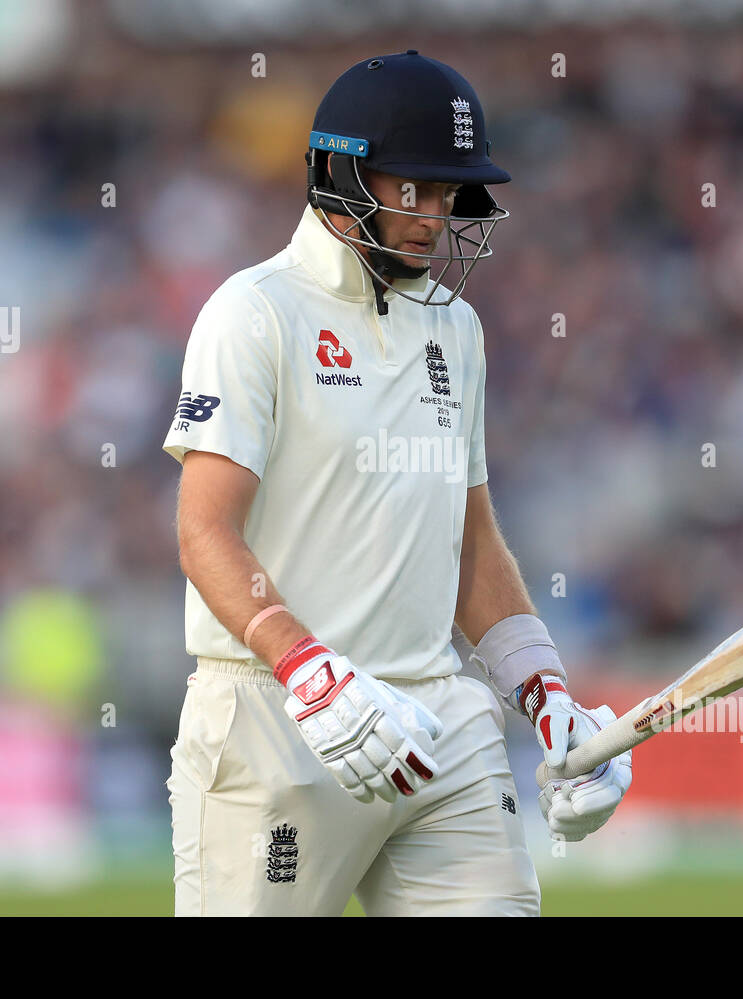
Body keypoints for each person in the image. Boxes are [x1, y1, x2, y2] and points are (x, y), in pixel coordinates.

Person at [163, 49, 631, 917]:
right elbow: (204, 534)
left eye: (449, 195)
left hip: (439, 718)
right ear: (342, 173)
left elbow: (472, 541)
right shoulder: (253, 312)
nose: (433, 217)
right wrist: (312, 673)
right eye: (413, 188)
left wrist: (548, 695)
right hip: (279, 719)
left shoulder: (456, 329)